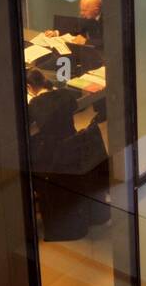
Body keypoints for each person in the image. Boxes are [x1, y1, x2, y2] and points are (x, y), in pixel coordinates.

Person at [26, 69, 104, 241]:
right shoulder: (65, 94)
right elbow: (74, 107)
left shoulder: (35, 105)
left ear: (30, 88)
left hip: (54, 155)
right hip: (72, 146)